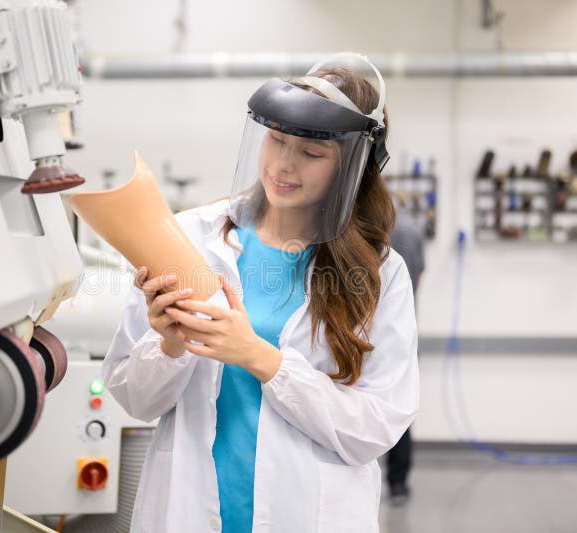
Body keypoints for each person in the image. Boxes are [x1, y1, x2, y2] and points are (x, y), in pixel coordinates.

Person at [103, 53, 419, 533]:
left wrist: (261, 359)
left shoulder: (380, 274)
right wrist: (168, 346)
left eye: (312, 154)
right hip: (190, 512)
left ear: (355, 166)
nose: (284, 165)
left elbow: (375, 428)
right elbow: (135, 399)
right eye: (276, 140)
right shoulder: (191, 238)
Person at [385, 212, 425, 506]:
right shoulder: (412, 232)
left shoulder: (358, 227)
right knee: (399, 413)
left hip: (361, 337)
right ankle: (398, 484)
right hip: (402, 337)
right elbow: (419, 277)